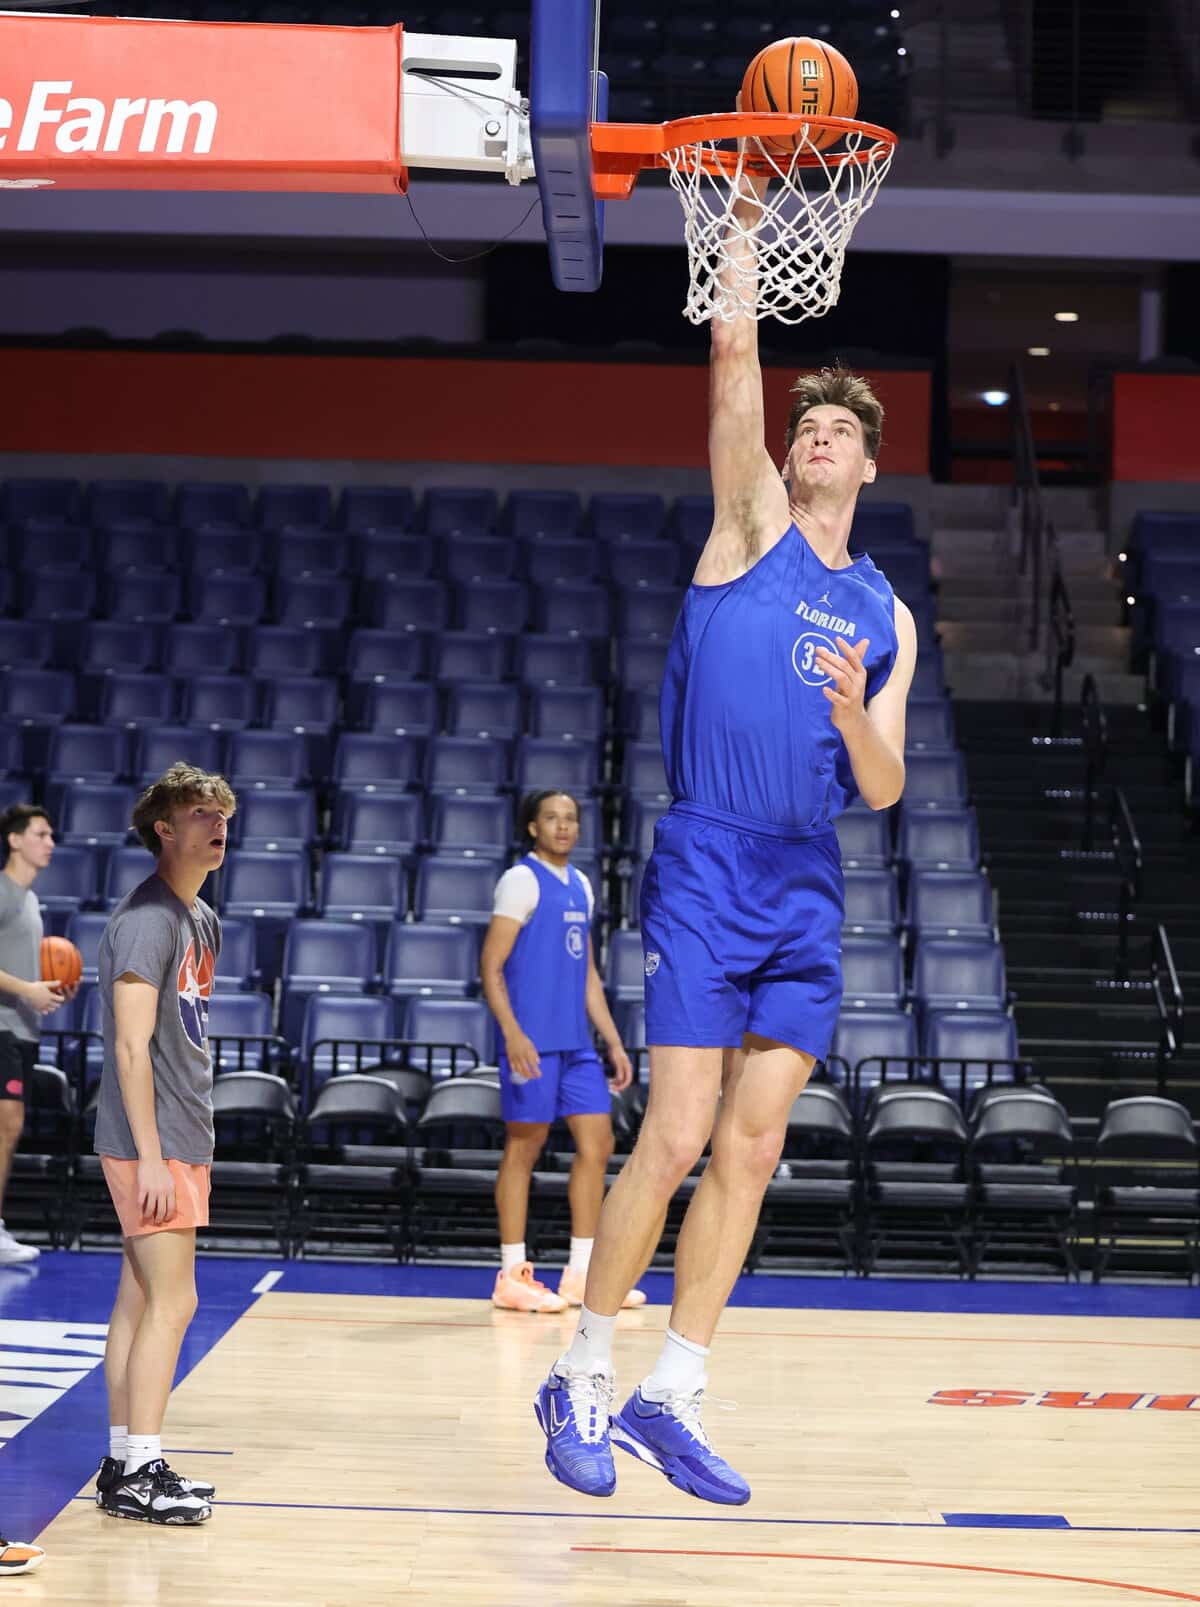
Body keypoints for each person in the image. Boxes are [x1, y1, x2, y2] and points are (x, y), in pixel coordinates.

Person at [534, 171, 917, 1505]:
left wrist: (854, 718)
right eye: (807, 422)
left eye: (837, 429)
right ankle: (580, 1369)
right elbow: (737, 365)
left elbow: (884, 783)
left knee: (753, 1147)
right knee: (680, 1126)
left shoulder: (887, 612)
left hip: (807, 875)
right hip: (709, 857)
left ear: (869, 462)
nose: (815, 433)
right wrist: (744, 234)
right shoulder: (748, 525)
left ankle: (672, 1389)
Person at [92, 763, 235, 1526]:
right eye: (199, 813)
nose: (216, 825)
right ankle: (143, 1468)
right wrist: (148, 1155)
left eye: (222, 814)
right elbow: (129, 1048)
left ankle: (122, 1458)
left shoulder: (200, 917)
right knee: (176, 1300)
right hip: (154, 1138)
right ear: (164, 828)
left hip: (180, 1131)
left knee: (140, 1299)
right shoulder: (149, 917)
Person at [481, 790, 645, 1314]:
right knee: (523, 1148)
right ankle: (512, 1273)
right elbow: (491, 966)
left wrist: (613, 1040)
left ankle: (580, 1273)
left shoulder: (581, 885)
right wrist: (512, 1033)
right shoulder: (522, 880)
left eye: (571, 818)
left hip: (576, 1045)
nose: (563, 826)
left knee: (598, 1144)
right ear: (532, 827)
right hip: (531, 1041)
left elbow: (588, 974)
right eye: (551, 818)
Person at [0, 803, 73, 1266]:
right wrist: (28, 988)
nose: (50, 843)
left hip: (22, 1029)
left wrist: (49, 985)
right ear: (14, 840)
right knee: (7, 1125)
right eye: (41, 834)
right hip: (1, 1028)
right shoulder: (3, 892)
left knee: (9, 1128)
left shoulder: (28, 899)